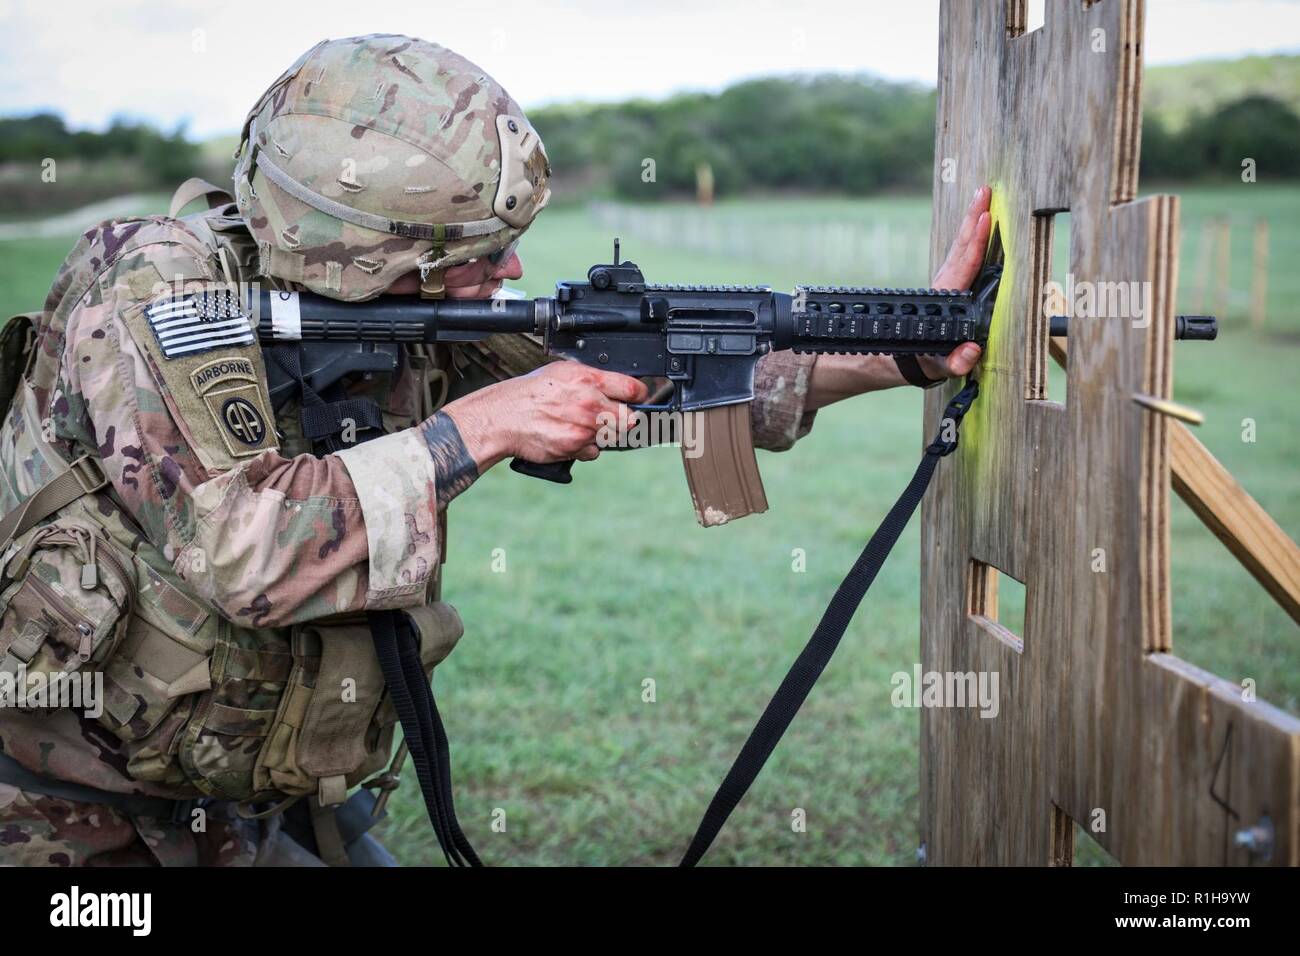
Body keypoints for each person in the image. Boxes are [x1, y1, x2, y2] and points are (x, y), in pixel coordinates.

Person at [0, 34, 990, 867]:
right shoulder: (160, 294)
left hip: (264, 807)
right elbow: (247, 553)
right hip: (71, 822)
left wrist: (890, 353)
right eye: (477, 252)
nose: (511, 268)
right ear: (363, 252)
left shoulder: (380, 303)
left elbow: (640, 382)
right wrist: (484, 424)